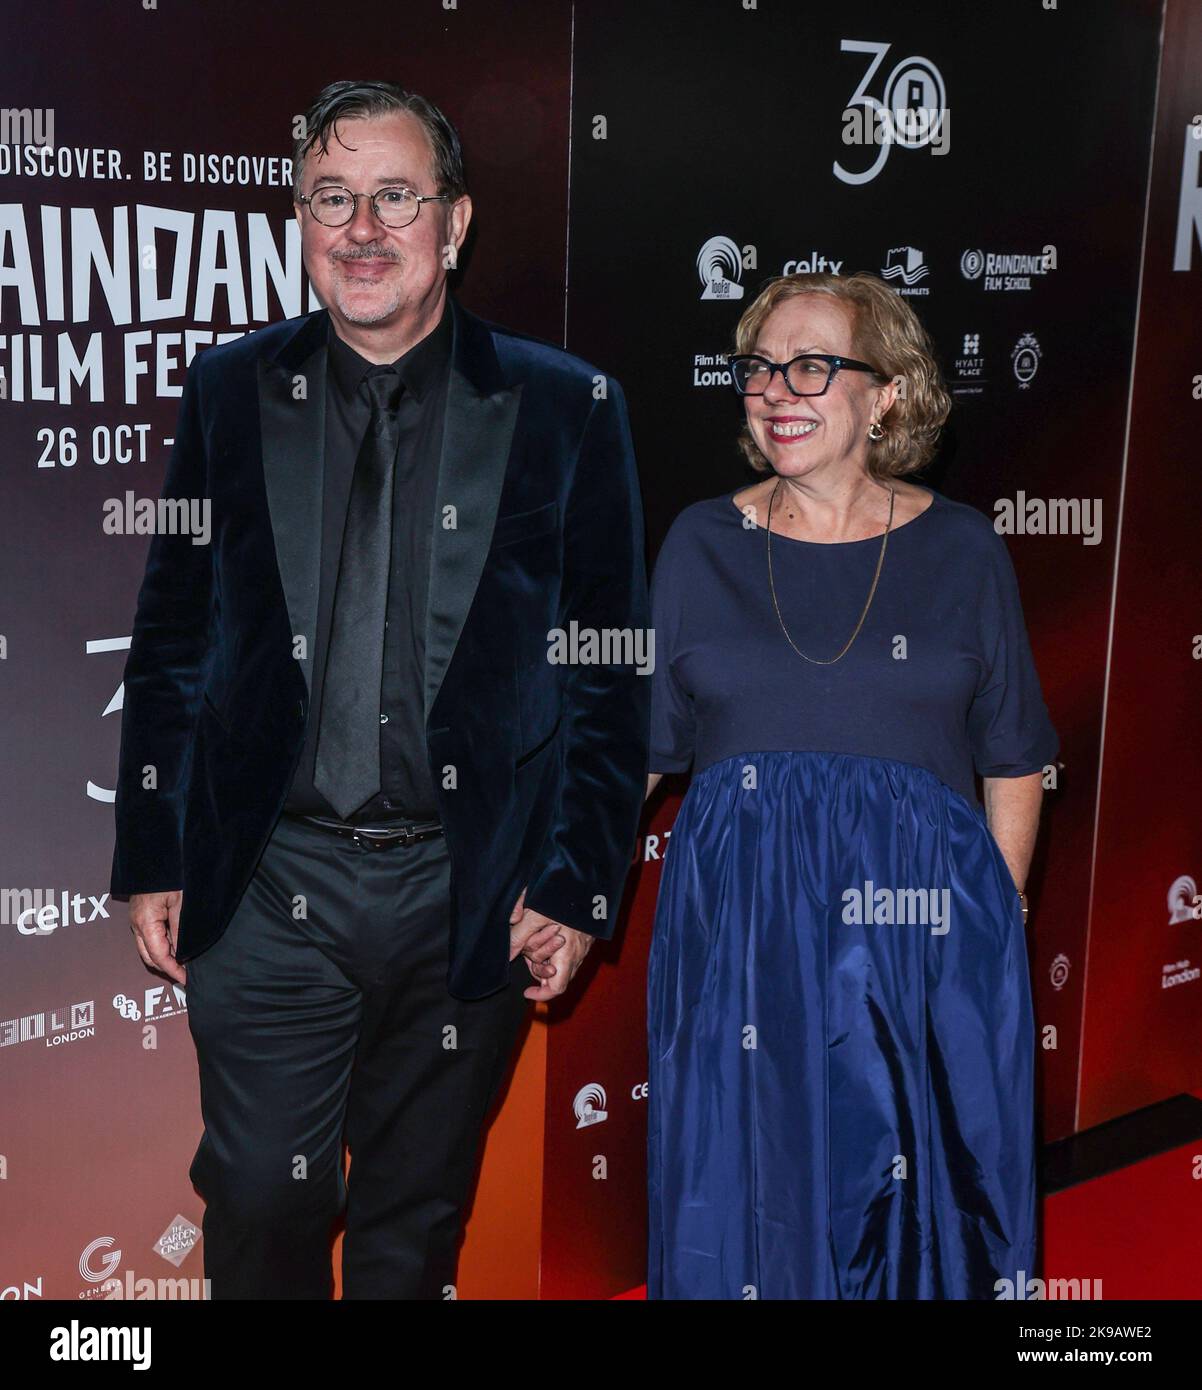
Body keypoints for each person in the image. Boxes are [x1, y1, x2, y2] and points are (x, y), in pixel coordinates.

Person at [110, 79, 649, 1299]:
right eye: (330, 199)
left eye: (395, 197)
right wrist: (152, 841)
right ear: (298, 225)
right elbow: (173, 632)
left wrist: (573, 878)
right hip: (268, 879)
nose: (362, 228)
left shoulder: (567, 407)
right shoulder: (227, 391)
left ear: (453, 224)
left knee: (415, 1222)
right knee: (260, 1195)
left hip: (468, 885)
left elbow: (609, 668)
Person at [644, 270, 1057, 1299]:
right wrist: (567, 896)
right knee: (749, 1194)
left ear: (884, 395)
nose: (777, 387)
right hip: (745, 941)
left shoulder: (960, 547)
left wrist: (988, 927)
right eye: (759, 367)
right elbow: (640, 750)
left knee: (913, 1204)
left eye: (812, 365)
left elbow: (1012, 755)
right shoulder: (701, 543)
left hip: (918, 943)